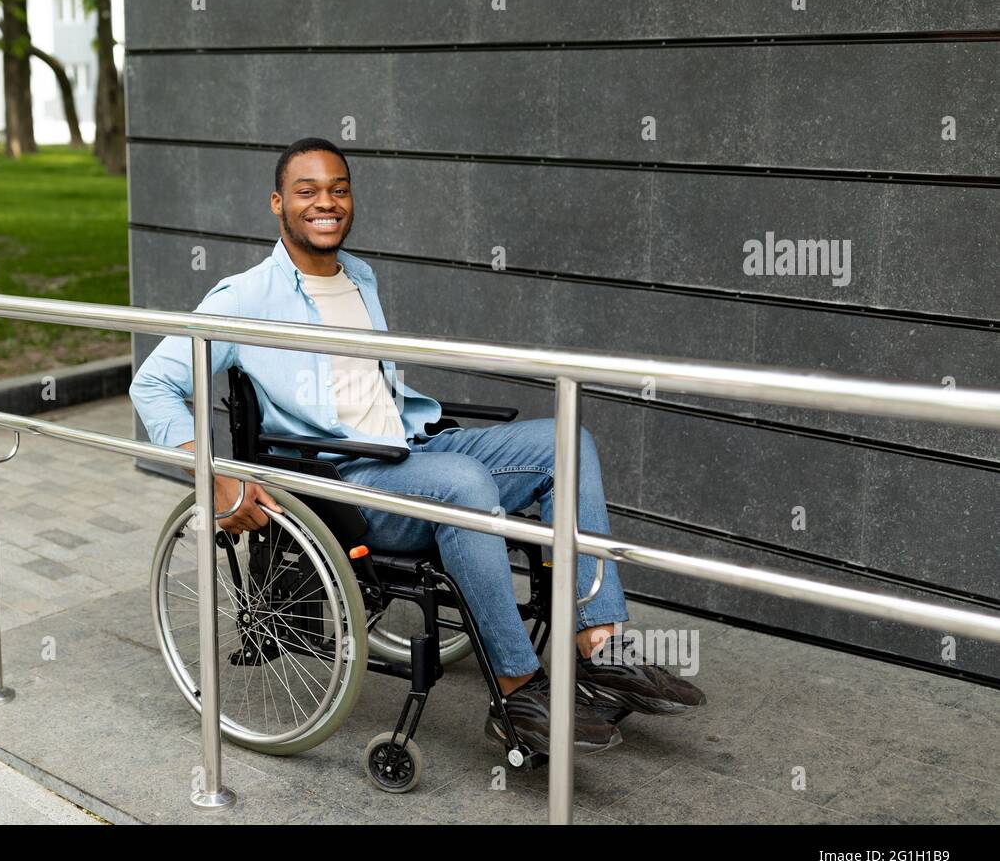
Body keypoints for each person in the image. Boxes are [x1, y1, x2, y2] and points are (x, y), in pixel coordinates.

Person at [131, 137, 705, 753]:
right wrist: (215, 476)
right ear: (278, 203)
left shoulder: (360, 277)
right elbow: (154, 384)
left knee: (566, 442)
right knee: (462, 483)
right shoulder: (244, 297)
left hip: (411, 448)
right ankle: (518, 693)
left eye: (338, 190)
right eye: (307, 191)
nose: (326, 203)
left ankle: (599, 648)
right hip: (348, 481)